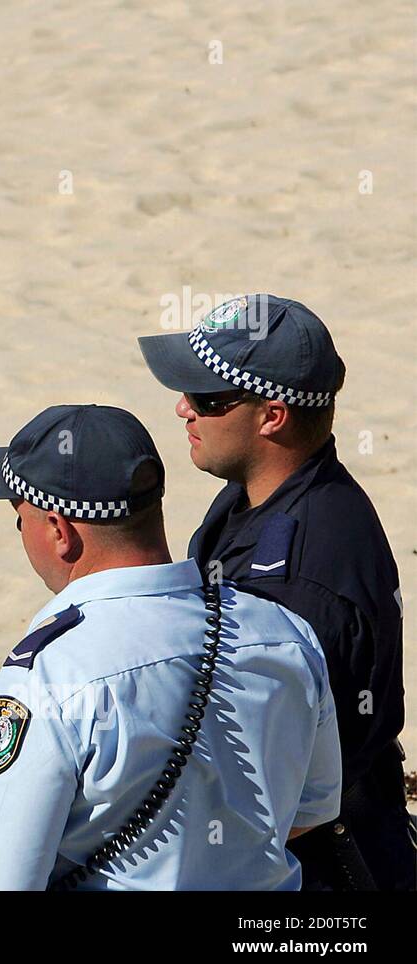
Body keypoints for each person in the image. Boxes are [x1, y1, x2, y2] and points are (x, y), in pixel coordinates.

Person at [0, 404, 342, 890]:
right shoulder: (284, 631)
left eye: (19, 518)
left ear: (59, 531)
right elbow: (311, 810)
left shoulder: (51, 675)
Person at [138, 294, 413, 890]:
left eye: (208, 397)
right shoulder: (260, 496)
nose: (183, 409)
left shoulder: (293, 580)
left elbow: (267, 785)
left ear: (272, 416)